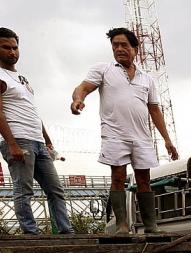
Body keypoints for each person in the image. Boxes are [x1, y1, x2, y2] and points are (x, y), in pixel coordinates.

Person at [70, 27, 178, 234]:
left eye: (124, 45)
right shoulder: (103, 69)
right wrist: (78, 99)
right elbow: (83, 87)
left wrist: (167, 139)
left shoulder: (147, 79)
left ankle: (151, 226)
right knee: (118, 176)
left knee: (144, 179)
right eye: (115, 45)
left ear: (135, 49)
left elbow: (154, 110)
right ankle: (121, 224)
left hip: (142, 136)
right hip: (114, 133)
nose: (119, 49)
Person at [0, 28, 73, 235]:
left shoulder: (22, 79)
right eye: (6, 47)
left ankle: (65, 232)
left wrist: (48, 140)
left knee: (55, 190)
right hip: (18, 139)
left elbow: (32, 110)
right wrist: (12, 144)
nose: (12, 52)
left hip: (37, 141)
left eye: (15, 47)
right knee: (24, 190)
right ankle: (31, 234)